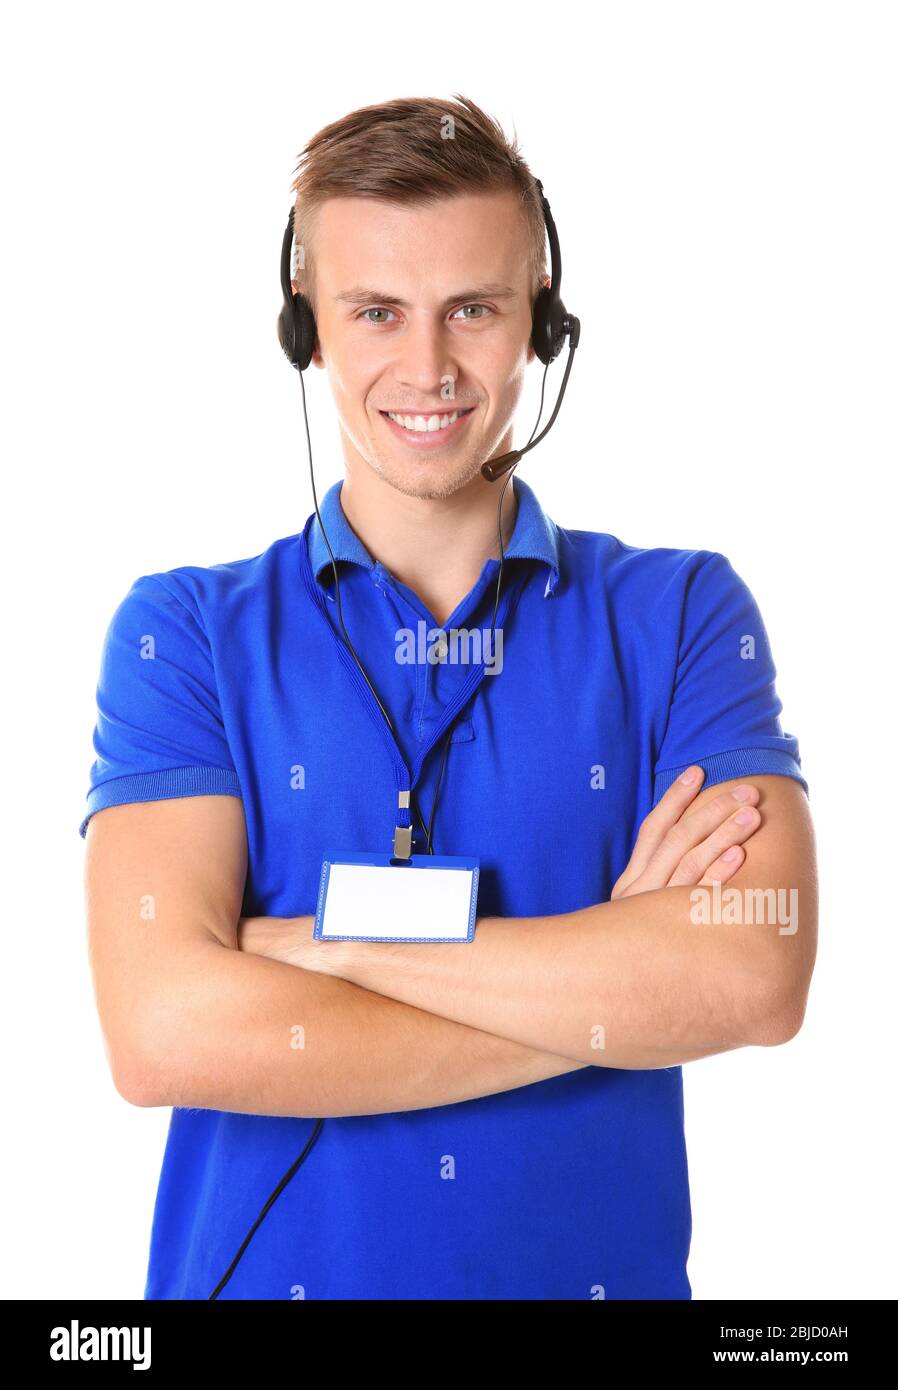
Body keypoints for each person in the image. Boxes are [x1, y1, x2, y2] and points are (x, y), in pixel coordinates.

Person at [81, 94, 817, 1301]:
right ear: (306, 330)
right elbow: (163, 1033)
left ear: (541, 325)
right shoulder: (184, 636)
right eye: (377, 312)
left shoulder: (681, 612)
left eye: (474, 308)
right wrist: (613, 986)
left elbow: (753, 978)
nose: (427, 368)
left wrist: (321, 952)